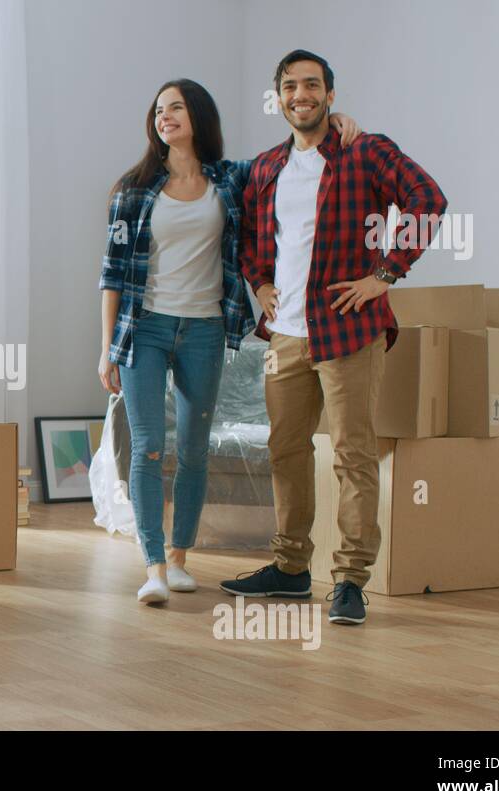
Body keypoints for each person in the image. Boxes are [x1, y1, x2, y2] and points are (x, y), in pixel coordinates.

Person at [98, 77, 362, 604]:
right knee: (150, 447)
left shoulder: (232, 178)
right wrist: (106, 347)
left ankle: (178, 559)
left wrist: (334, 124)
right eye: (158, 111)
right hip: (143, 329)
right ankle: (152, 566)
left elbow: (289, 157)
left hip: (204, 329)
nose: (163, 116)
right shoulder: (132, 190)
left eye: (175, 108)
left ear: (198, 115)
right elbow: (111, 273)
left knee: (193, 450)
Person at [223, 50, 447, 624]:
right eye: (291, 86)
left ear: (330, 94)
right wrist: (261, 282)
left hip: (349, 331)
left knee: (352, 454)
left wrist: (385, 275)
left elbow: (429, 201)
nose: (302, 95)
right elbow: (249, 235)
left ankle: (349, 580)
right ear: (278, 97)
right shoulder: (266, 166)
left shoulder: (365, 150)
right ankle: (292, 569)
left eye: (312, 85)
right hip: (286, 337)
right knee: (286, 451)